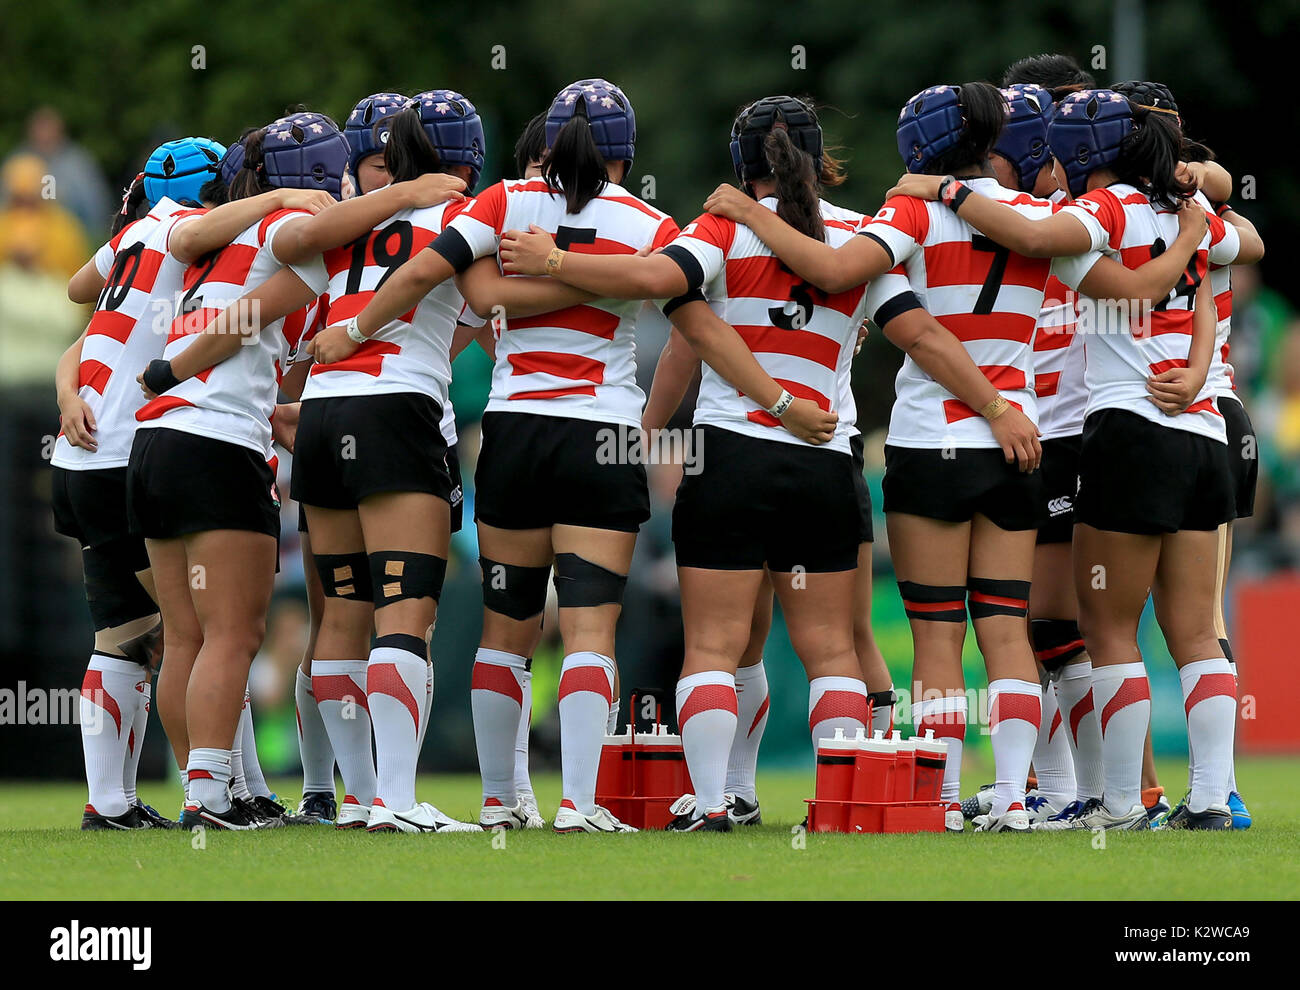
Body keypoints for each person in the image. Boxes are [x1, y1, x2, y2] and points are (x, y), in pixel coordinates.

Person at [316, 78, 838, 834]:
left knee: (505, 628)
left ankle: (500, 799)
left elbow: (449, 278)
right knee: (591, 629)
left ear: (548, 142)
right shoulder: (652, 222)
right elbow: (696, 327)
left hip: (514, 428)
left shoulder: (500, 203)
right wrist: (774, 401)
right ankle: (578, 805)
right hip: (602, 430)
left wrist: (357, 330)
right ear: (627, 152)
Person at [706, 82, 1201, 832]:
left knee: (936, 632)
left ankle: (939, 801)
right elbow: (1130, 290)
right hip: (1019, 442)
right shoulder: (1041, 216)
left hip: (929, 442)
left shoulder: (909, 210)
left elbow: (837, 275)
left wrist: (746, 214)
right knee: (1007, 628)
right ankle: (1011, 797)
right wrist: (1195, 233)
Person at [891, 88, 1236, 830]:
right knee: (1194, 632)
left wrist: (946, 189)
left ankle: (1114, 801)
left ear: (1081, 155)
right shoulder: (1188, 209)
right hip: (1203, 426)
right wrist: (1193, 234)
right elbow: (1218, 275)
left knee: (1099, 631)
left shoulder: (1095, 213)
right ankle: (1210, 795)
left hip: (1123, 429)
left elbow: (1049, 244)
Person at [130, 112, 459, 830]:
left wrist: (170, 372)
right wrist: (406, 195)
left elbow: (235, 313)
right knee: (233, 635)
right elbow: (291, 261)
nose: (347, 184)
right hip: (218, 444)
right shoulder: (286, 229)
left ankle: (211, 788)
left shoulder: (215, 237)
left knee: (186, 636)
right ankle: (218, 795)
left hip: (155, 440)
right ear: (314, 180)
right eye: (339, 173)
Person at [52, 134, 332, 829]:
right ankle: (220, 793)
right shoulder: (186, 233)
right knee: (203, 633)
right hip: (133, 445)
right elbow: (197, 234)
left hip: (80, 455)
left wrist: (66, 395)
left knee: (134, 632)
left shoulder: (134, 238)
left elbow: (79, 300)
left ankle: (118, 802)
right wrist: (281, 197)